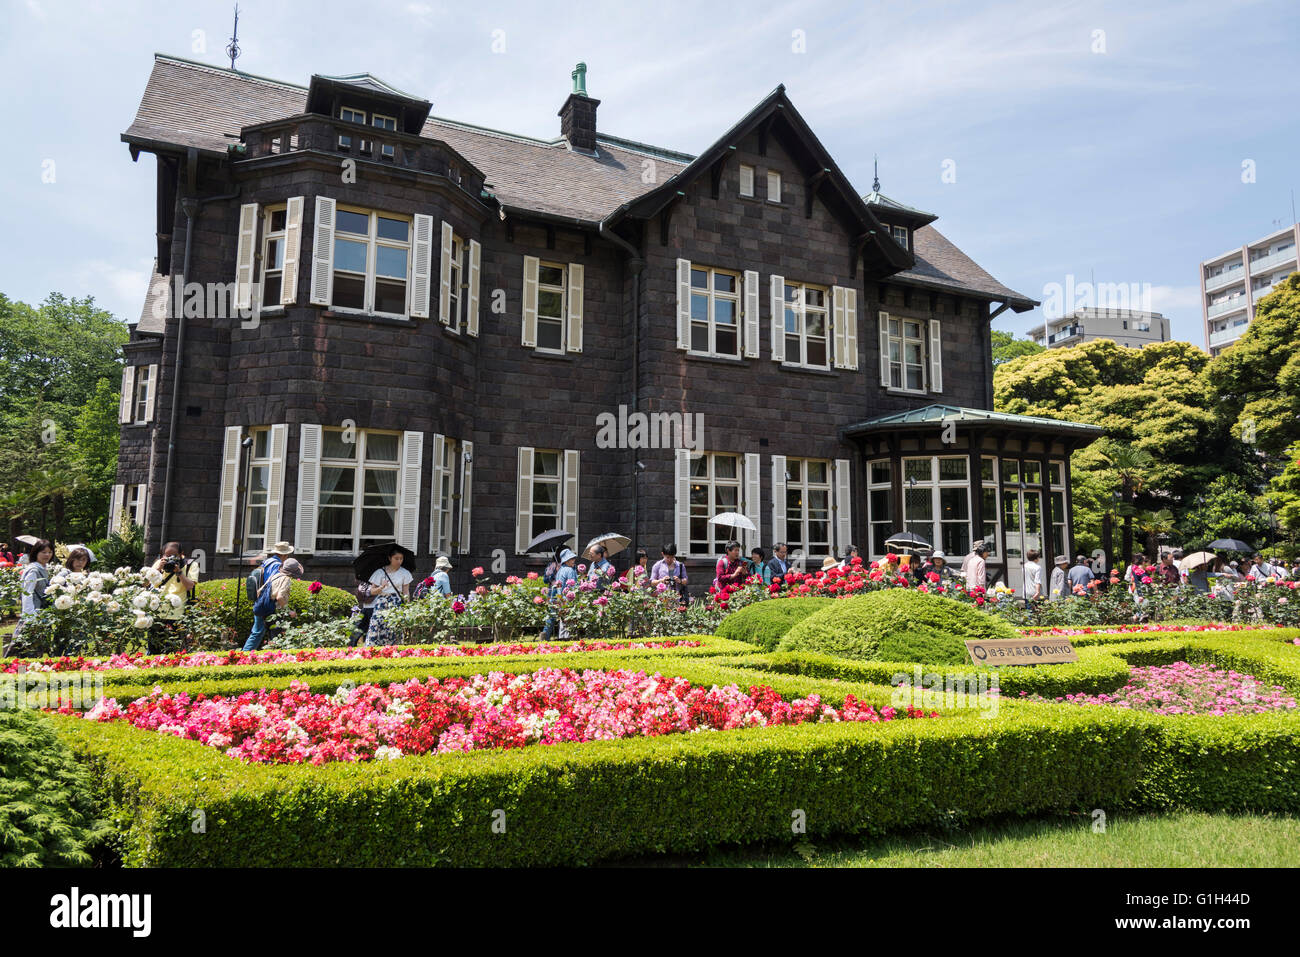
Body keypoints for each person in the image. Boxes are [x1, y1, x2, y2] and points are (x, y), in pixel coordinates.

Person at [7, 539, 54, 655]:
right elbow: (27, 594)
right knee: (24, 651)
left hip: (39, 615)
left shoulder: (43, 568)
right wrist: (30, 617)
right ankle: (17, 671)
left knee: (35, 651)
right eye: (43, 552)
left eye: (49, 552)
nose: (47, 555)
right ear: (36, 553)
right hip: (32, 616)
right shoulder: (33, 570)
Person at [244, 543, 293, 652]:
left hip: (260, 600)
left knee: (259, 631)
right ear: (284, 555)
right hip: (267, 602)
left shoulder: (267, 562)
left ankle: (245, 655)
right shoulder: (277, 565)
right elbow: (274, 583)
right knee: (265, 632)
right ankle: (244, 656)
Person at [365, 546, 413, 646]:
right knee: (377, 626)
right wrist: (381, 587)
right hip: (382, 602)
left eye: (401, 558)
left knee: (394, 628)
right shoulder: (380, 572)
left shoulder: (405, 573)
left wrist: (407, 607)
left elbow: (406, 592)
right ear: (390, 558)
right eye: (396, 558)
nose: (399, 561)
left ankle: (393, 651)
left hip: (396, 602)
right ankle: (374, 650)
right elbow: (372, 591)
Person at [546, 548, 579, 640]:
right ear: (566, 560)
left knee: (563, 625)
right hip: (569, 601)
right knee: (570, 627)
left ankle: (562, 644)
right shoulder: (570, 570)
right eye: (571, 559)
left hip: (561, 601)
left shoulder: (560, 570)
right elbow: (573, 587)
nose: (573, 560)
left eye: (573, 558)